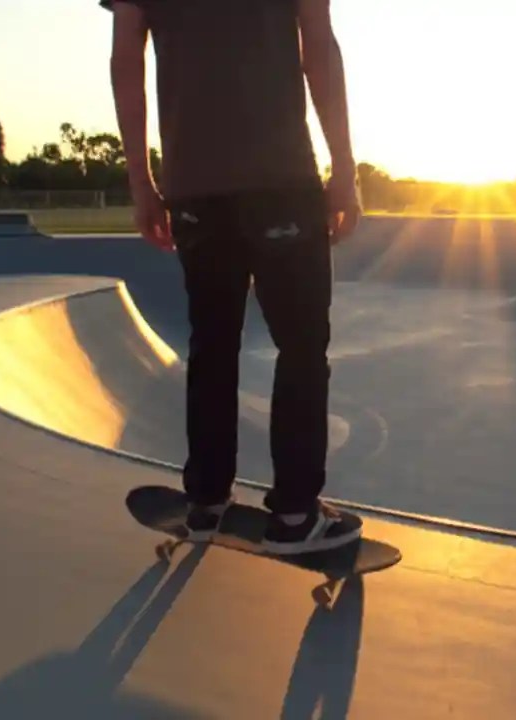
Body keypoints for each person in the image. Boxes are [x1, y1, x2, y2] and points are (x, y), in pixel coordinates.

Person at [102, 0, 364, 554]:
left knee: (213, 342)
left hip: (193, 186)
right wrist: (345, 169)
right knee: (300, 345)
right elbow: (318, 44)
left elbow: (126, 60)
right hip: (280, 179)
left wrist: (142, 183)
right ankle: (295, 514)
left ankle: (205, 500)